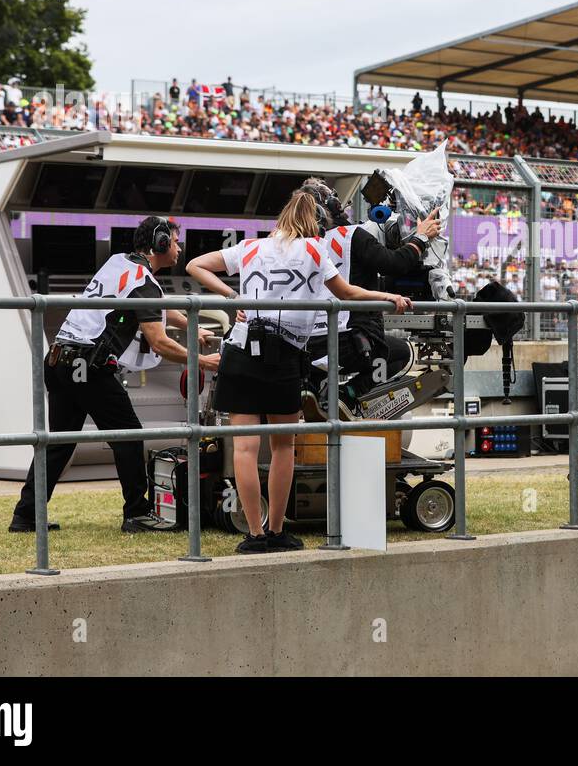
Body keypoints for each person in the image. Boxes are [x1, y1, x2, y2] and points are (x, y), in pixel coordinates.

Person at [187, 190, 412, 554]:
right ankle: (276, 532)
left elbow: (194, 265)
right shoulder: (313, 249)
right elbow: (347, 292)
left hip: (241, 349)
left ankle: (254, 535)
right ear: (314, 222)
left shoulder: (249, 247)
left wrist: (232, 298)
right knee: (283, 446)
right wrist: (387, 297)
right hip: (285, 353)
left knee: (244, 449)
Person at [9, 216, 221, 534]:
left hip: (59, 359)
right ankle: (136, 513)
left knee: (58, 443)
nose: (179, 248)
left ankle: (25, 515)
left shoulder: (120, 263)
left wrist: (194, 326)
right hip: (88, 365)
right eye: (176, 241)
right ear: (160, 243)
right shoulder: (144, 282)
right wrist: (203, 361)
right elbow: (160, 343)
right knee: (129, 436)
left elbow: (157, 307)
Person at [299, 178, 440, 401]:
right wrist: (420, 237)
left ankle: (311, 391)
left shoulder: (296, 245)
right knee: (402, 353)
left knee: (314, 369)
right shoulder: (351, 236)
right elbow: (395, 264)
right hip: (350, 344)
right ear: (332, 206)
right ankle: (347, 394)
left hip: (304, 346)